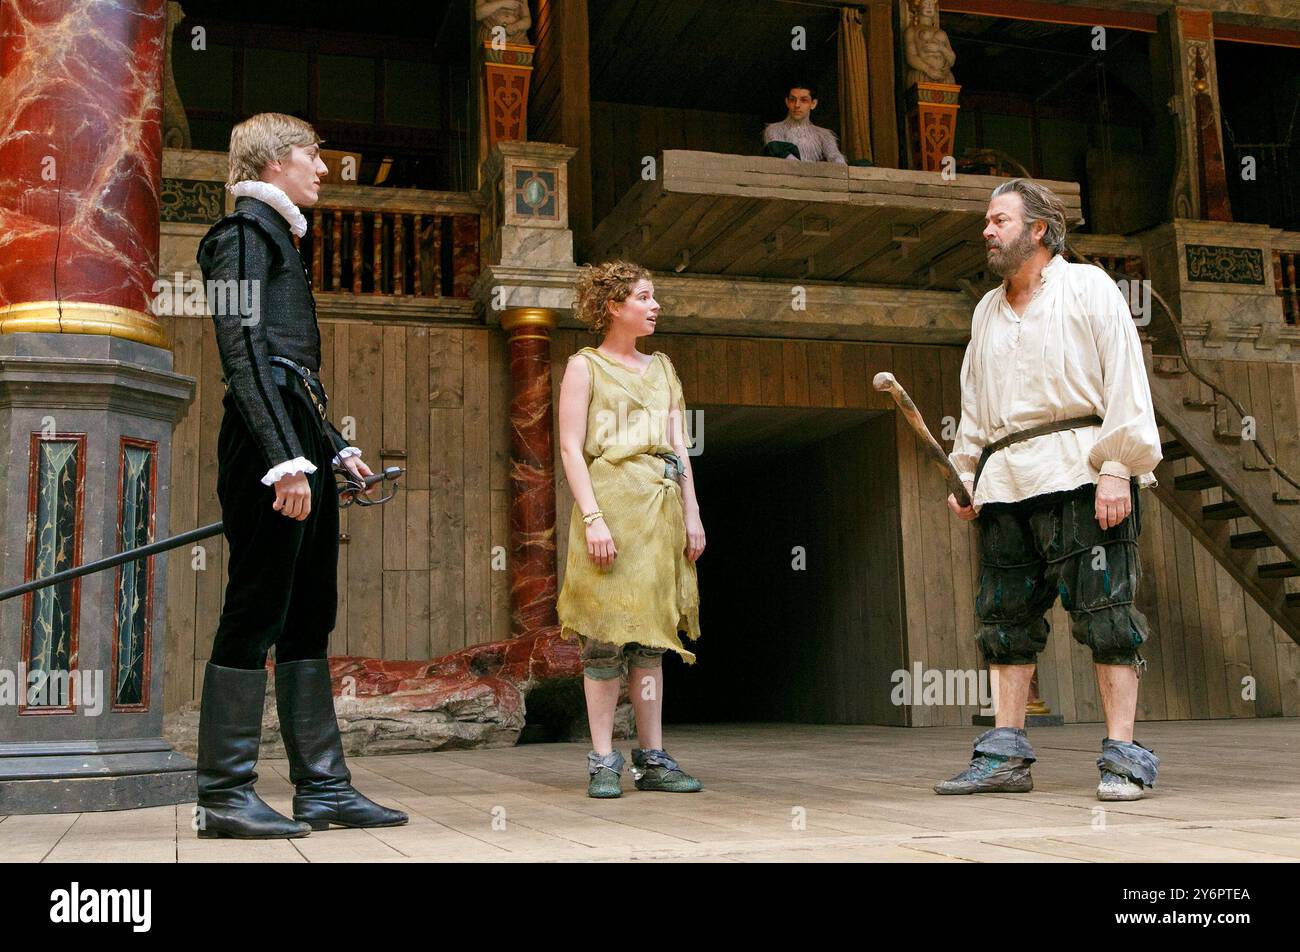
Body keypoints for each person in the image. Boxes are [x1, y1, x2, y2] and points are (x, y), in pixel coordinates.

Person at [193, 112, 408, 838]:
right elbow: (242, 353)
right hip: (263, 446)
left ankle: (322, 789)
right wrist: (284, 457)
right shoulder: (238, 238)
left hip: (293, 433)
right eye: (316, 157)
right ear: (280, 159)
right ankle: (224, 795)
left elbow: (290, 373)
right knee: (256, 607)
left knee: (309, 612)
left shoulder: (277, 239)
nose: (324, 169)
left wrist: (331, 446)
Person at [936, 178, 1163, 802]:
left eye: (999, 219)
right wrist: (967, 471)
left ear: (1038, 229)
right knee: (1004, 617)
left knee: (1105, 610)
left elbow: (1124, 376)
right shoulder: (986, 310)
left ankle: (1123, 755)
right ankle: (1005, 754)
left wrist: (1118, 465)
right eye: (986, 220)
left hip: (1081, 470)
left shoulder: (1088, 287)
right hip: (1006, 479)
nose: (987, 229)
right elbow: (975, 402)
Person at [555, 261, 705, 798]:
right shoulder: (585, 366)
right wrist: (593, 518)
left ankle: (652, 759)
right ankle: (602, 760)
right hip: (610, 509)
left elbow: (678, 445)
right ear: (614, 306)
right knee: (603, 641)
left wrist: (692, 511)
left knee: (649, 642)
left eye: (654, 295)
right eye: (644, 296)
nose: (655, 304)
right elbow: (572, 447)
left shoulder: (663, 367)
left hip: (659, 511)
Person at [762, 84, 847, 164]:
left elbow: (835, 157)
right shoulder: (774, 129)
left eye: (804, 100)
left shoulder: (824, 135)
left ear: (813, 104)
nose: (797, 105)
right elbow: (781, 153)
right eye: (792, 100)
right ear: (787, 102)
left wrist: (839, 161)